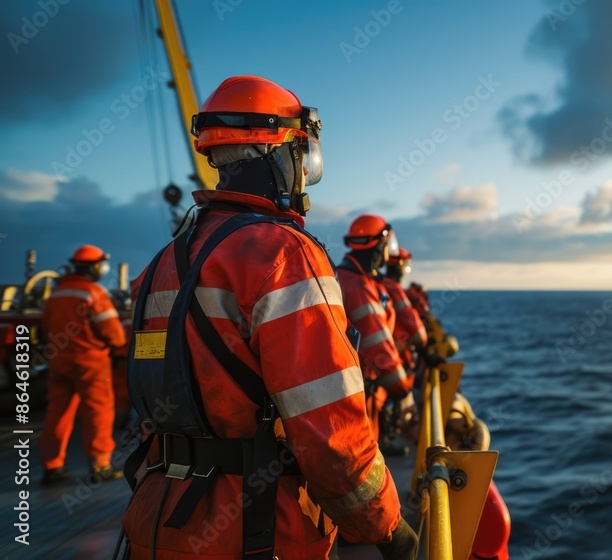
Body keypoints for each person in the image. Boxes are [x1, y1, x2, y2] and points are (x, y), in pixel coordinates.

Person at [120, 76, 416, 560]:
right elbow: (330, 432)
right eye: (301, 157)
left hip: (156, 520)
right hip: (255, 528)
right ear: (283, 154)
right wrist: (387, 528)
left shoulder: (163, 263)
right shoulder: (283, 255)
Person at [39, 244, 126, 485]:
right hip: (90, 363)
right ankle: (100, 467)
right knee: (98, 411)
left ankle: (52, 466)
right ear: (95, 267)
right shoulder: (93, 293)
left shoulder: (56, 294)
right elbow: (115, 335)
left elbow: (46, 328)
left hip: (59, 363)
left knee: (58, 413)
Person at [337, 215, 414, 441]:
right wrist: (402, 390)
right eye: (387, 244)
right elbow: (377, 343)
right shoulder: (359, 286)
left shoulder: (349, 277)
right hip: (358, 393)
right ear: (379, 244)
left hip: (354, 387)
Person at [381, 247, 427, 364]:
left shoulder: (378, 284)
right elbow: (411, 322)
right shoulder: (394, 289)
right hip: (394, 355)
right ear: (401, 267)